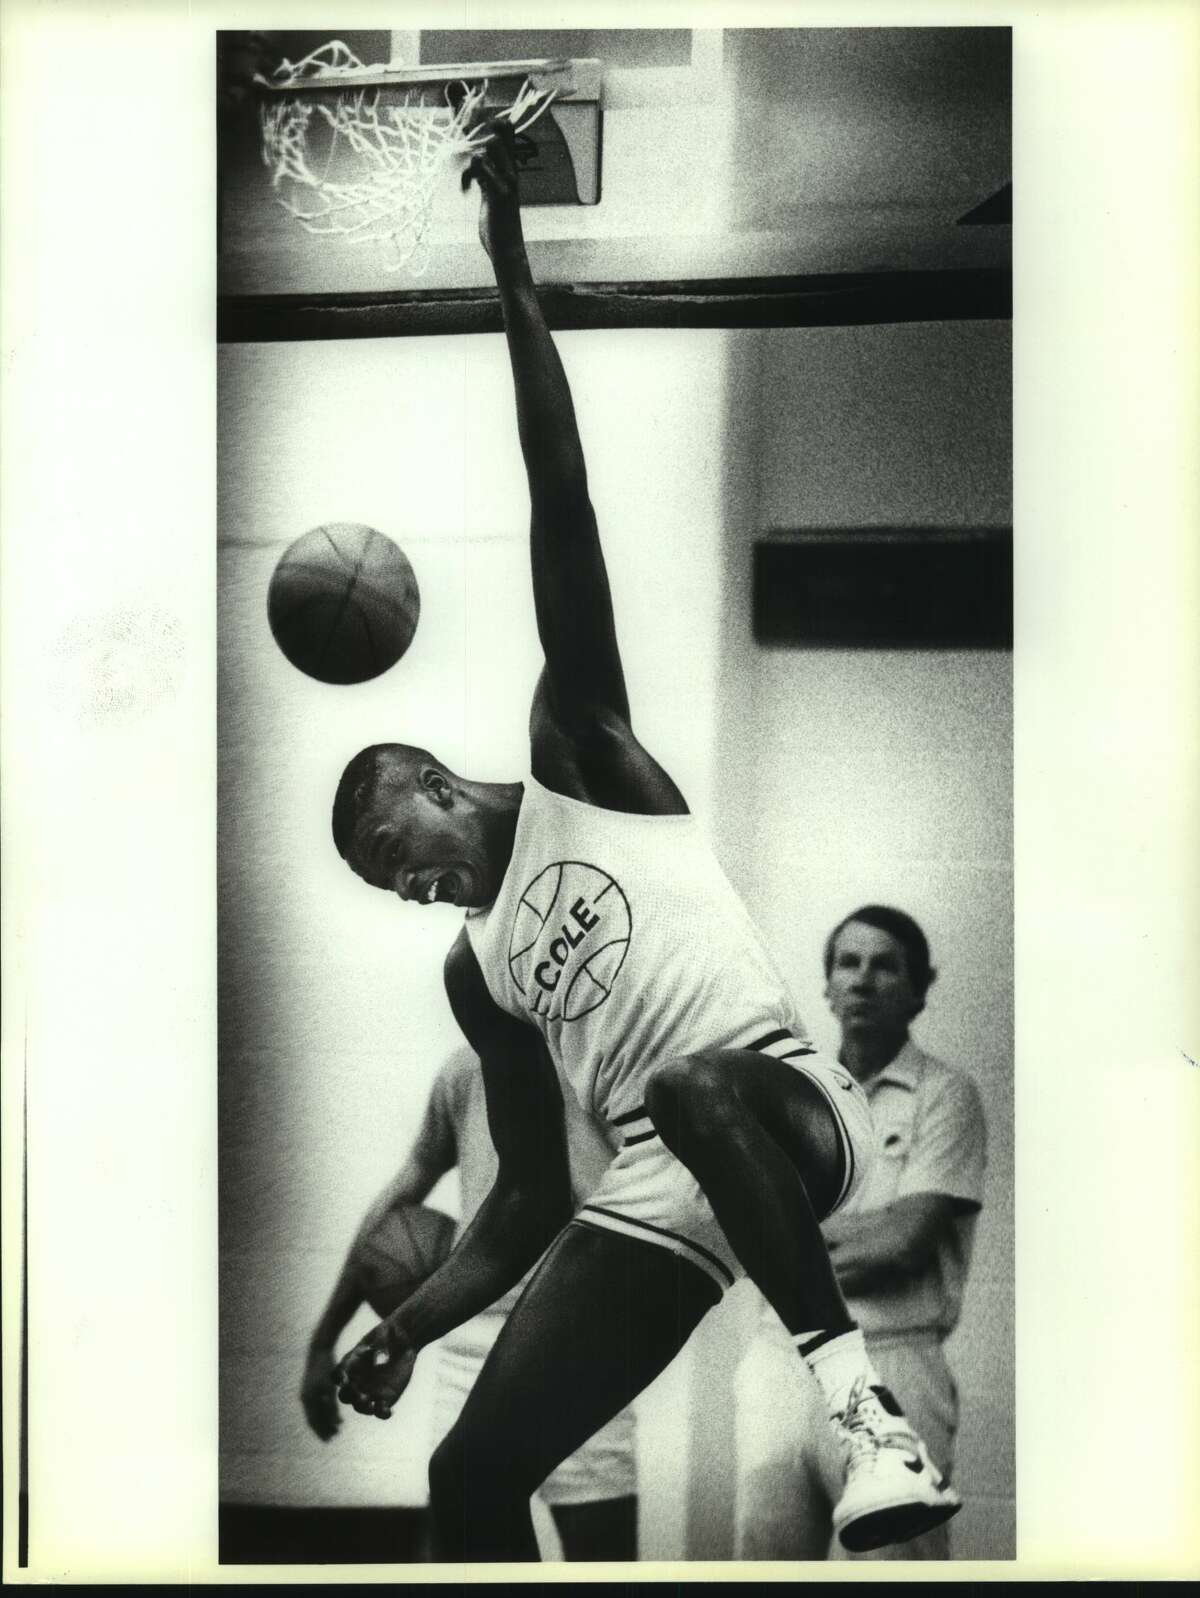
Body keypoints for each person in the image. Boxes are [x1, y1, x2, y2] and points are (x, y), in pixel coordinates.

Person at [328, 123, 961, 1562]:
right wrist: (408, 1322)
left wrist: (511, 267)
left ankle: (863, 1412)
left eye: (394, 839)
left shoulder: (580, 753)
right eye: (385, 881)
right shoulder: (476, 973)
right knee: (469, 1475)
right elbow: (536, 1193)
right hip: (653, 1191)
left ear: (431, 775)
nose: (406, 877)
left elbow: (564, 495)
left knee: (685, 1081)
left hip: (789, 1114)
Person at [300, 1045, 638, 1561]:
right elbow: (404, 1189)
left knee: (601, 1564)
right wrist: (324, 1339)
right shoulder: (466, 1068)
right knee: (457, 1555)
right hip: (473, 1339)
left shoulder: (611, 1056)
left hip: (580, 1341)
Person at [734, 907, 988, 1560]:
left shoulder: (945, 1095)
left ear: (920, 988)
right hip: (781, 1364)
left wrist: (790, 1242)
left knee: (896, 1571)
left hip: (892, 1362)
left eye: (885, 965)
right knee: (765, 1567)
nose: (864, 980)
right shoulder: (793, 1094)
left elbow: (904, 1243)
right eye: (849, 963)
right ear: (827, 984)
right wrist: (842, 1235)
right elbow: (743, 1237)